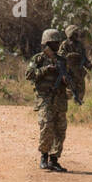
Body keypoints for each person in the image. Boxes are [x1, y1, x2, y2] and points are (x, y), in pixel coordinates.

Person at [25, 29, 75, 172]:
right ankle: (44, 157)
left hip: (60, 99)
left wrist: (67, 80)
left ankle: (54, 160)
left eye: (58, 42)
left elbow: (70, 80)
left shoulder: (62, 60)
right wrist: (46, 70)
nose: (57, 45)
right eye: (54, 43)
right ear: (47, 43)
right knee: (47, 127)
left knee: (60, 130)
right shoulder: (38, 59)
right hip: (45, 98)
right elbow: (29, 74)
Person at [59, 24, 92, 104]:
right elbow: (61, 59)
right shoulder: (65, 44)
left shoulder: (79, 45)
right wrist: (63, 73)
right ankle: (66, 106)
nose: (77, 34)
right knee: (69, 91)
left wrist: (89, 65)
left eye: (77, 32)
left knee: (81, 91)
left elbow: (84, 57)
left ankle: (78, 105)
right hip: (69, 72)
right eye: (75, 32)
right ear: (70, 34)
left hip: (79, 72)